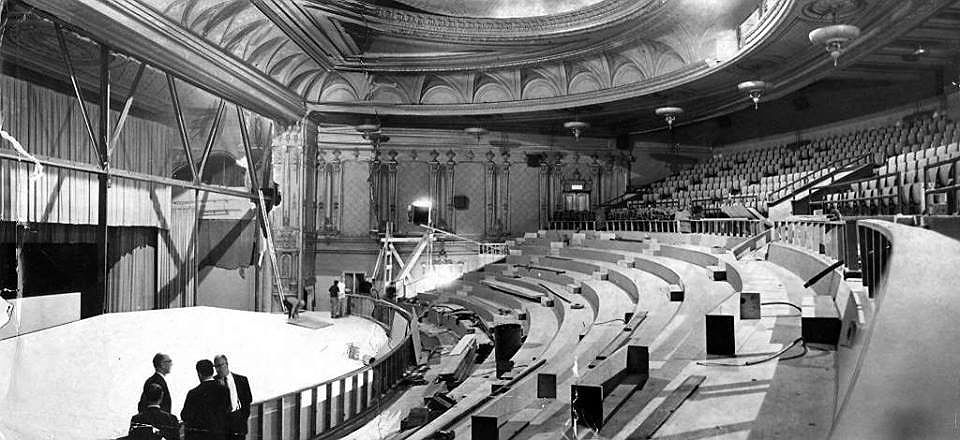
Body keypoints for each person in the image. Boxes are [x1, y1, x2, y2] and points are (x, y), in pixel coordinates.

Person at [181, 359, 230, 440]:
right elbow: (227, 410)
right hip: (218, 435)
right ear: (212, 371)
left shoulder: (193, 393)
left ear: (199, 374)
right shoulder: (224, 390)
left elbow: (185, 415)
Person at [213, 355, 252, 440]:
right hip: (221, 426)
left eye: (221, 365)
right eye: (216, 366)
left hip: (238, 421)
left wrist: (243, 418)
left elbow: (247, 400)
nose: (219, 369)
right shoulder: (213, 383)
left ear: (226, 364)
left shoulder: (241, 380)